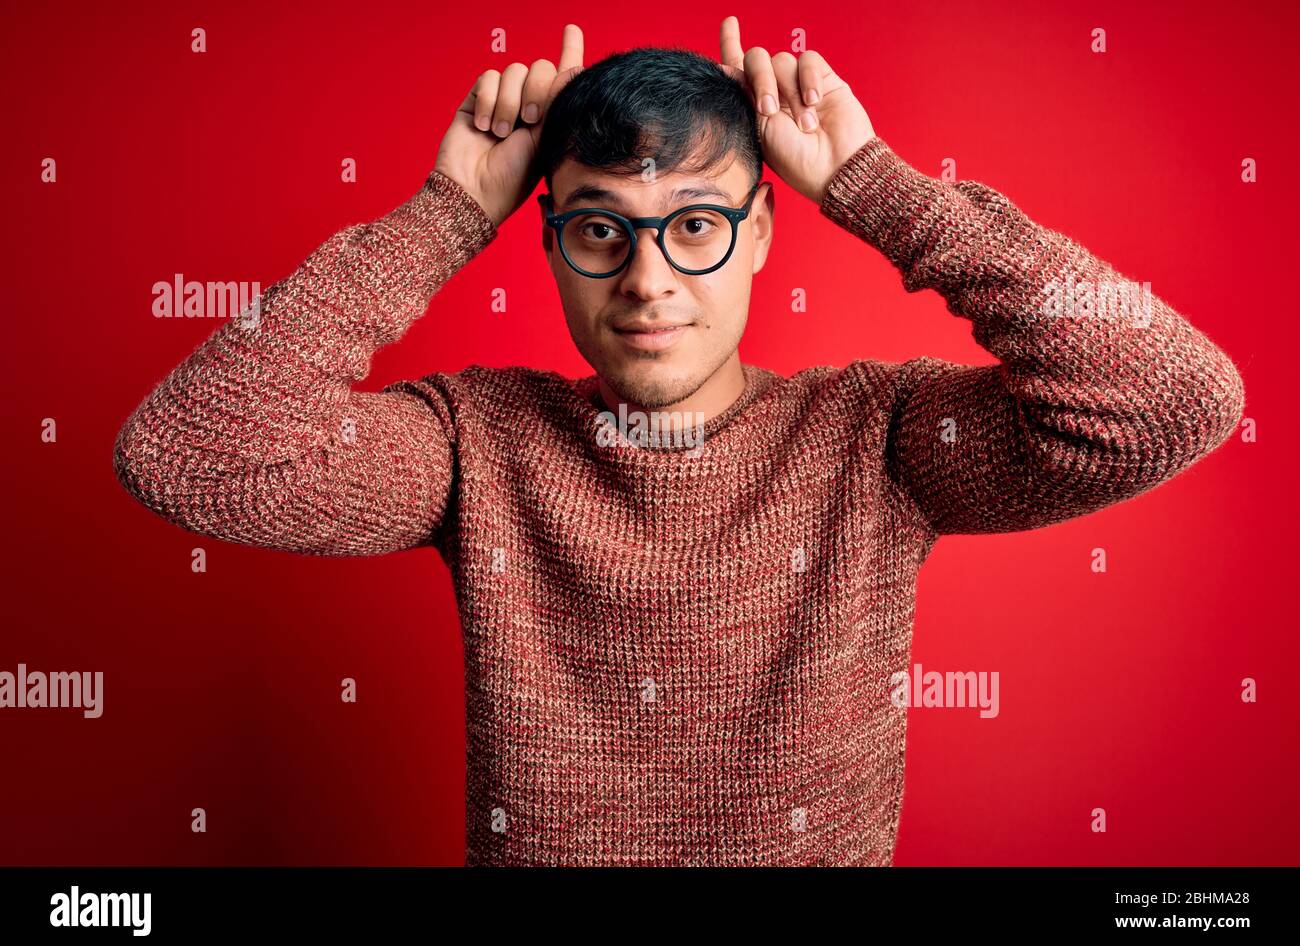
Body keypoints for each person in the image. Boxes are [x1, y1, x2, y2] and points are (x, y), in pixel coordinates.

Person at [112, 18, 1245, 865]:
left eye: (694, 225)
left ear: (759, 233)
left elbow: (1170, 400)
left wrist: (879, 189)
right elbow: (194, 452)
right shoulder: (479, 446)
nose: (648, 279)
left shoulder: (876, 441)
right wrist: (444, 213)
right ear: (548, 242)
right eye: (601, 229)